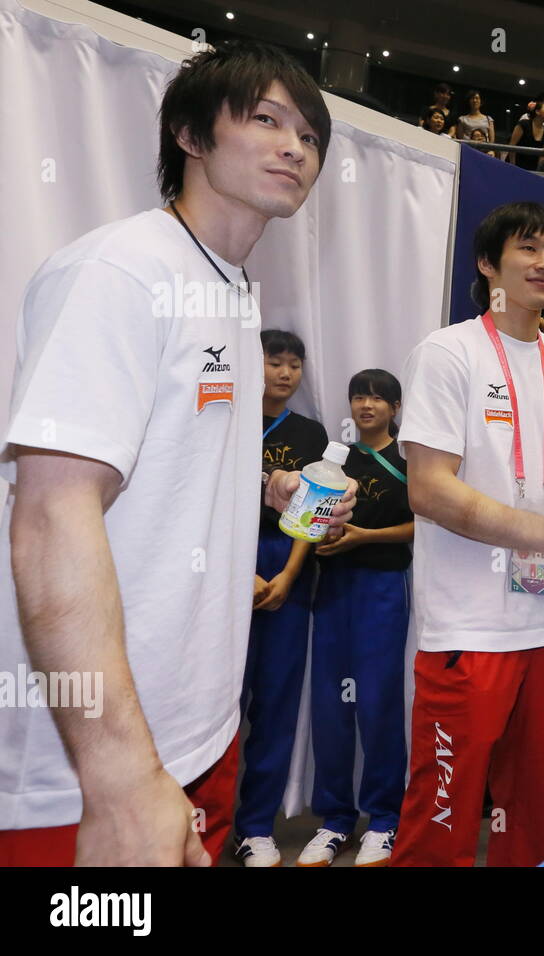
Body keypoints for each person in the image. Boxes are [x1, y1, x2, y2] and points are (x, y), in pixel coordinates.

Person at [0, 41, 355, 867]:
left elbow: (168, 456)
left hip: (200, 731)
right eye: (266, 119)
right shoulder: (117, 270)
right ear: (191, 135)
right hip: (88, 773)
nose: (294, 147)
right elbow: (51, 514)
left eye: (309, 134)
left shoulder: (228, 290)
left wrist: (271, 487)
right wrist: (118, 777)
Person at [390, 202, 544, 867]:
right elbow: (429, 489)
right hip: (469, 629)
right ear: (487, 264)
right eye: (528, 248)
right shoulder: (447, 353)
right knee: (441, 813)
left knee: (532, 811)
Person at [301, 369, 414, 868]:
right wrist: (321, 538)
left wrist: (365, 537)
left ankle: (385, 818)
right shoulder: (331, 460)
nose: (366, 404)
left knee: (377, 705)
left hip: (381, 591)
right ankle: (335, 821)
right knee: (330, 707)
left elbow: (422, 526)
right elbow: (306, 523)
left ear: (394, 407)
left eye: (377, 397)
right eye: (358, 395)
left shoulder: (407, 459)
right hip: (332, 591)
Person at [233, 328, 328, 866]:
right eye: (275, 361)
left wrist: (290, 576)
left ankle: (255, 828)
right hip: (225, 569)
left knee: (275, 704)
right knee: (218, 704)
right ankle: (202, 819)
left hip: (286, 571)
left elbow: (311, 514)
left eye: (295, 363)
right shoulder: (227, 414)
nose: (286, 373)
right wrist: (237, 572)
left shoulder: (311, 433)